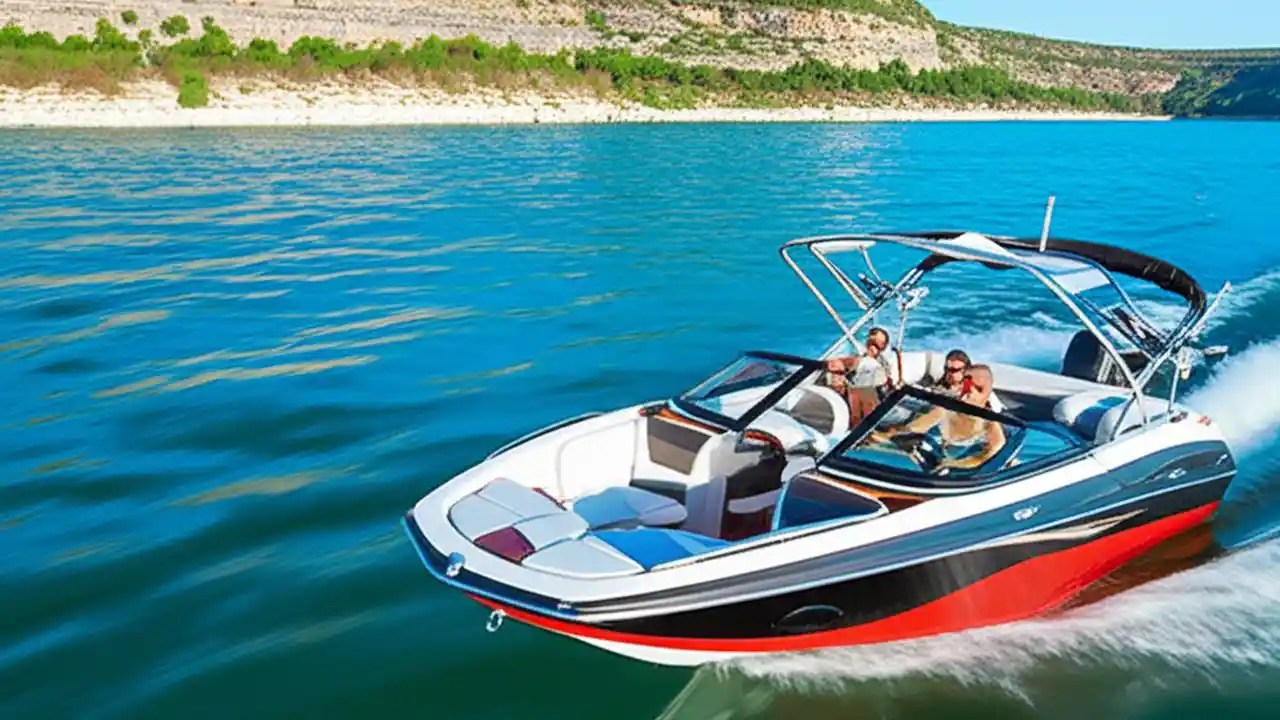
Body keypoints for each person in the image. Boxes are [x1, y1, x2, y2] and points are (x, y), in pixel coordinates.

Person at [892, 364, 1007, 471]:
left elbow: (989, 456)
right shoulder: (944, 410)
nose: (962, 392)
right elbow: (910, 431)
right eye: (962, 385)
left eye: (967, 387)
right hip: (936, 463)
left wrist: (950, 465)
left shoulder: (991, 425)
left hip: (963, 475)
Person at [824, 327, 894, 424]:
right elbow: (849, 363)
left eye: (878, 345)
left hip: (874, 399)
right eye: (871, 343)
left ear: (884, 347)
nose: (873, 348)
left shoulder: (883, 363)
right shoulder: (858, 357)